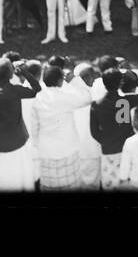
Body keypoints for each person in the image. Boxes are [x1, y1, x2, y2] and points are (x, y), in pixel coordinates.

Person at [0, 57, 41, 192]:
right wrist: (25, 72)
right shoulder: (15, 90)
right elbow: (37, 89)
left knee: (1, 181)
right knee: (21, 178)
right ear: (12, 74)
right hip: (18, 143)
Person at [31, 61, 93, 192]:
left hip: (46, 151)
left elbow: (34, 127)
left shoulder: (38, 98)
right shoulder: (65, 97)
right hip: (67, 150)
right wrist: (75, 81)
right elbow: (87, 98)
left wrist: (38, 147)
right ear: (60, 81)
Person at [90, 67, 138, 190]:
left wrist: (106, 141)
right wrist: (137, 80)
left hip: (109, 150)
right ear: (121, 83)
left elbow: (94, 132)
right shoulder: (125, 101)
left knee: (110, 185)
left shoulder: (96, 104)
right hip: (126, 149)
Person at [70, 63, 102, 190]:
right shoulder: (95, 95)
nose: (94, 79)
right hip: (92, 148)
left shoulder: (68, 94)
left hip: (76, 150)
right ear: (87, 77)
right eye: (92, 76)